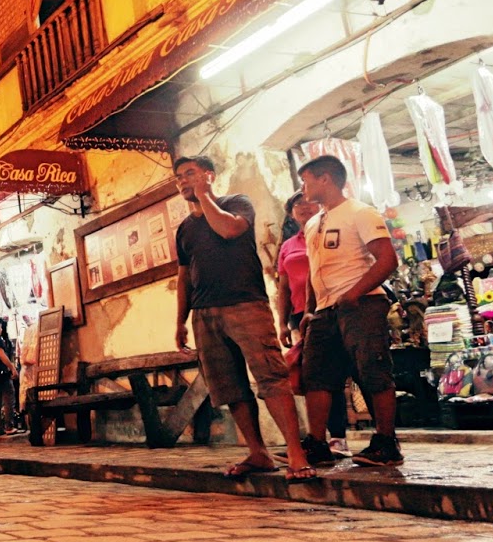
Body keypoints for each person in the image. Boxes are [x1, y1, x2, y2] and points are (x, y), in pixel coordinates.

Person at [173, 155, 315, 481]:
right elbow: (184, 276)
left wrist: (204, 196)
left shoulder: (237, 203)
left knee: (271, 377)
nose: (183, 181)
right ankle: (258, 453)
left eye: (190, 173)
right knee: (229, 387)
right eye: (179, 177)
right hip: (204, 313)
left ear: (209, 175)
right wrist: (180, 320)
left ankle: (296, 454)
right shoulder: (184, 229)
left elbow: (228, 230)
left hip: (246, 305)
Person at [297, 154, 403, 467]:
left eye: (306, 181)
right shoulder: (313, 223)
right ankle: (317, 443)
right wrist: (309, 311)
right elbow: (314, 270)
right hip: (324, 310)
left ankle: (387, 442)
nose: (303, 188)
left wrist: (353, 294)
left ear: (325, 178)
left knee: (373, 370)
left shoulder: (360, 211)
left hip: (362, 303)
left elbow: (387, 259)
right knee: (316, 376)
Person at [275, 191, 348, 458]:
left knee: (333, 372)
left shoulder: (328, 231)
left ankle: (338, 437)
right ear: (290, 212)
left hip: (332, 306)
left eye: (308, 202)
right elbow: (283, 287)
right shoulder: (288, 245)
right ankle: (316, 438)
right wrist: (283, 323)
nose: (304, 207)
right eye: (297, 204)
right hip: (300, 314)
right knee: (313, 375)